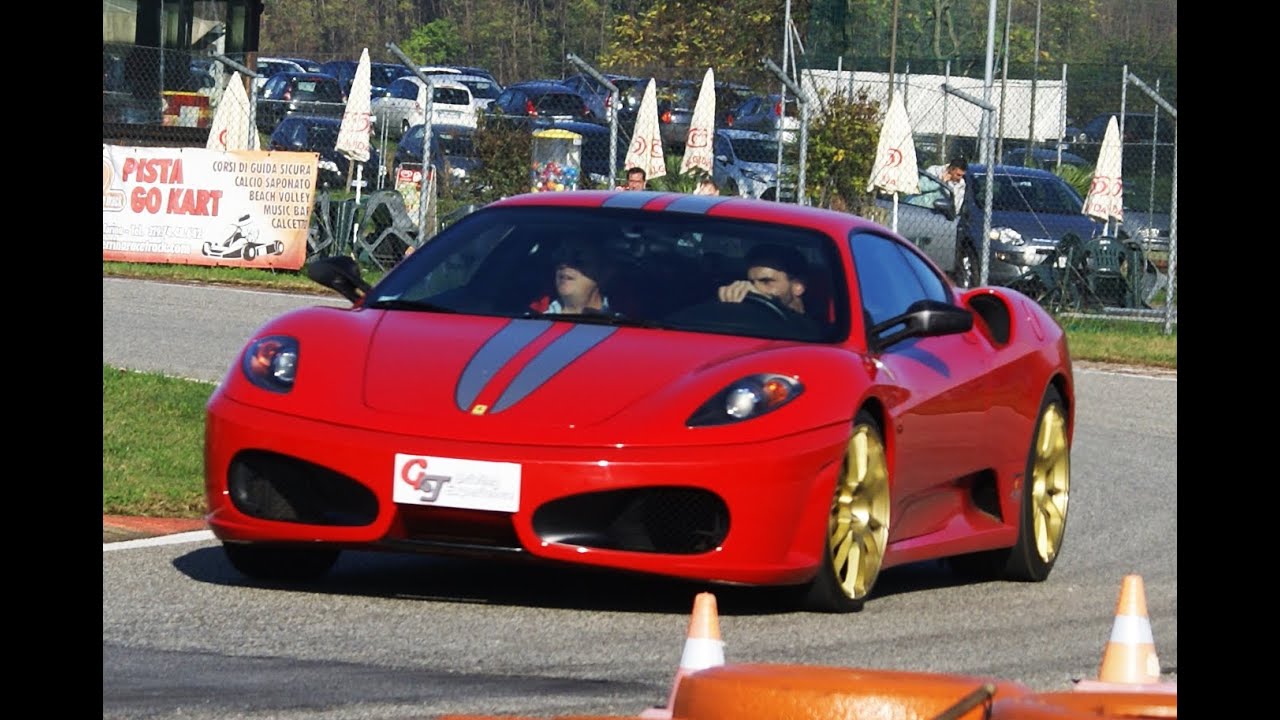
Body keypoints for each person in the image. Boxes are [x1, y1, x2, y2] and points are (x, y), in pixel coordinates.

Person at [717, 243, 808, 315]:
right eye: (751, 282)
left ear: (798, 286)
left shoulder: (817, 327)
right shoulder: (751, 314)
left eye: (766, 281)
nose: (754, 289)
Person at [536, 241, 613, 315]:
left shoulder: (621, 318)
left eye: (578, 260)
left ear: (604, 273)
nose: (564, 264)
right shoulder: (534, 319)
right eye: (560, 256)